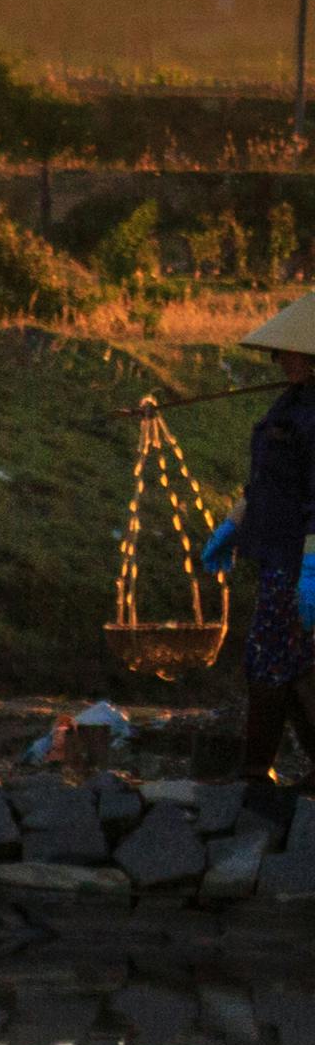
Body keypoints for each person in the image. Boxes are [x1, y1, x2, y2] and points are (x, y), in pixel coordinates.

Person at [204, 288, 315, 793]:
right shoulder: (288, 405)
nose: (281, 359)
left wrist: (311, 567)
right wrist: (234, 524)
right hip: (276, 552)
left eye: (290, 351)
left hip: (302, 558)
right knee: (281, 659)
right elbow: (268, 481)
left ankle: (255, 772)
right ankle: (263, 771)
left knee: (276, 657)